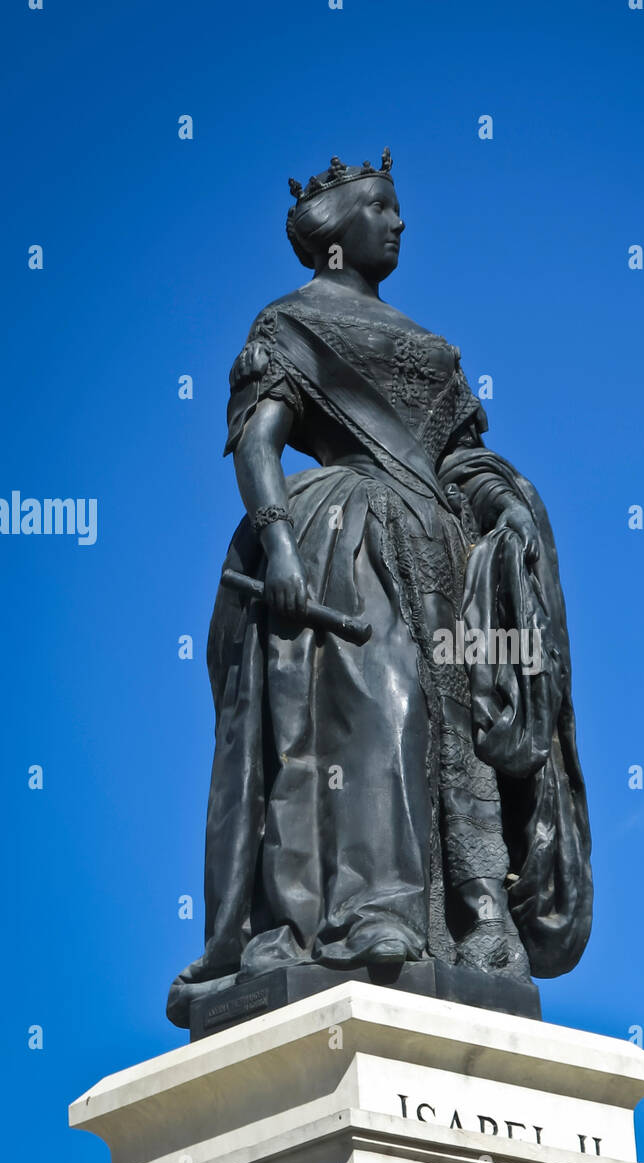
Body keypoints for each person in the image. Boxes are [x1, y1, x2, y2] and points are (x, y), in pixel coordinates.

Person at [167, 149, 591, 1028]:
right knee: (372, 719)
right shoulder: (287, 325)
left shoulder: (435, 350)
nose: (399, 223)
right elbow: (259, 444)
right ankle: (365, 917)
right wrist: (279, 546)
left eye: (399, 210)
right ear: (334, 240)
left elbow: (457, 459)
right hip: (342, 541)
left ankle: (478, 920)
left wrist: (504, 503)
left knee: (467, 730)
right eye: (383, 208)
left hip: (445, 550)